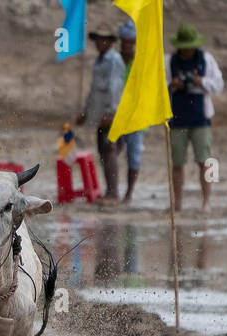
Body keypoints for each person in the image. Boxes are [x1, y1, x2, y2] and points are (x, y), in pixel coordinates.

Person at [166, 23, 223, 213]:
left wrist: (201, 82)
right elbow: (161, 88)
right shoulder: (170, 61)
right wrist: (172, 85)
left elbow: (218, 84)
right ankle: (177, 203)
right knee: (177, 163)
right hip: (177, 119)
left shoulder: (206, 59)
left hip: (201, 118)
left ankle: (206, 201)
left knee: (206, 161)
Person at [75, 23, 125, 204]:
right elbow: (94, 90)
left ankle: (114, 193)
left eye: (103, 39)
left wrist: (110, 112)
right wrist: (86, 112)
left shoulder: (114, 60)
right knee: (103, 150)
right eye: (97, 39)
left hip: (110, 114)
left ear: (110, 41)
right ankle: (109, 191)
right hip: (100, 113)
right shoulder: (100, 60)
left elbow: (114, 87)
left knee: (110, 150)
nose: (99, 43)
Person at [117, 19, 145, 205]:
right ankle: (112, 190)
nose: (128, 45)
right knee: (111, 152)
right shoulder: (115, 60)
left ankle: (129, 192)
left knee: (133, 156)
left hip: (135, 116)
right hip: (116, 114)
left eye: (131, 42)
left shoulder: (141, 63)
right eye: (125, 42)